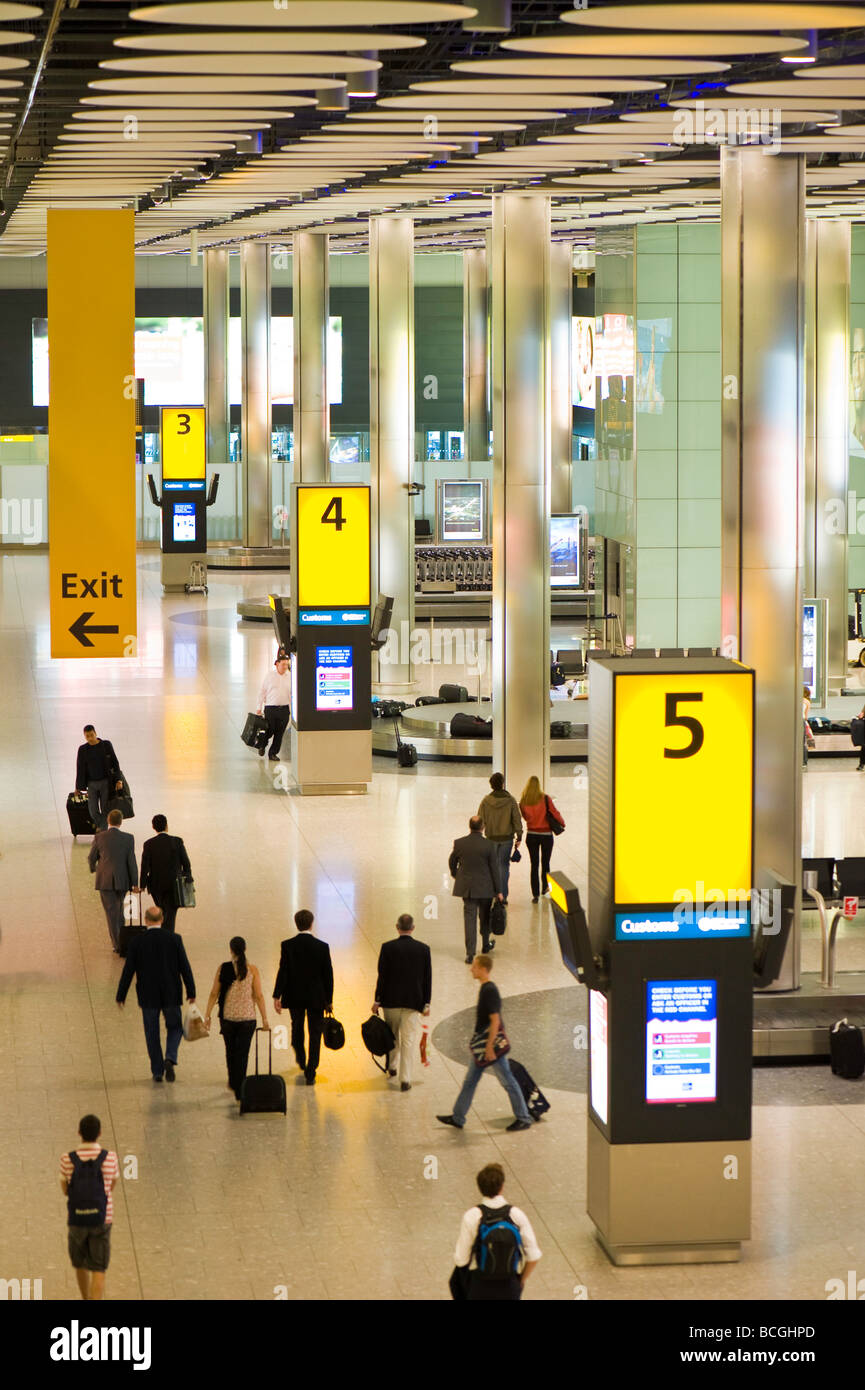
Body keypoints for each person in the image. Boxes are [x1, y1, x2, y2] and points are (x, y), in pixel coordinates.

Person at [437, 955, 532, 1133]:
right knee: (470, 1081)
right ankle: (458, 1117)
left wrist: (489, 1048)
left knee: (508, 1081)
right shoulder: (485, 989)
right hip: (485, 1047)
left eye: (474, 967)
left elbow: (495, 1020)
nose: (471, 969)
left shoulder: (489, 991)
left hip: (491, 1048)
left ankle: (523, 1117)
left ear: (483, 969)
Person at [115, 905, 196, 1083]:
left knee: (151, 1033)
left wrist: (121, 995)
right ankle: (170, 1057)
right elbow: (185, 967)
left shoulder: (137, 942)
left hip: (148, 994)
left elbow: (128, 971)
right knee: (174, 1027)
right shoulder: (174, 939)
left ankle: (157, 1071)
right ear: (162, 920)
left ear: (145, 920)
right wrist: (191, 991)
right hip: (171, 993)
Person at [452, 1163, 542, 1301]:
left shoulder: (472, 1216)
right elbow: (534, 1256)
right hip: (509, 1285)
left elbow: (461, 1259)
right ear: (502, 1186)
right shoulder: (516, 1215)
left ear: (480, 1188)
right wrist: (520, 1280)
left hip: (481, 1285)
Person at [60, 1114, 119, 1302]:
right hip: (102, 1218)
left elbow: (65, 1190)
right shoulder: (110, 1158)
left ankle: (85, 1298)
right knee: (99, 1267)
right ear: (99, 1133)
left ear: (79, 1133)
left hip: (77, 1218)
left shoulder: (67, 1159)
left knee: (80, 1263)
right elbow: (111, 1185)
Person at [272, 909, 333, 1086]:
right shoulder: (322, 947)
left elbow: (283, 971)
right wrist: (329, 1000)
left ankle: (300, 1056)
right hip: (316, 998)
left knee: (296, 1026)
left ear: (296, 923)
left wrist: (277, 995)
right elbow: (328, 975)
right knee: (315, 1033)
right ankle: (311, 1070)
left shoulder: (287, 945)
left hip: (294, 996)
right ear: (311, 923)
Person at [205, 936, 270, 1102]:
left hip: (228, 1018)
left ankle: (233, 1082)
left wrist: (208, 1014)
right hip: (248, 1018)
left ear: (231, 950)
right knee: (243, 1054)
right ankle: (240, 1086)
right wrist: (265, 1019)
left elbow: (214, 993)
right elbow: (258, 995)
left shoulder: (223, 968)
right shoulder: (252, 970)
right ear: (245, 949)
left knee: (230, 1051)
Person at [372, 914, 432, 1092]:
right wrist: (426, 1003)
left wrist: (377, 1000)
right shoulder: (423, 949)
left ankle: (392, 1067)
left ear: (397, 927)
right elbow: (427, 979)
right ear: (413, 928)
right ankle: (405, 1079)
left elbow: (382, 977)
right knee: (408, 1040)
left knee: (393, 1037)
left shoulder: (387, 948)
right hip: (413, 1002)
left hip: (391, 1002)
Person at [449, 815, 504, 964]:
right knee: (485, 917)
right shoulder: (489, 845)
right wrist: (498, 891)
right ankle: (485, 945)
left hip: (467, 888)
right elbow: (494, 869)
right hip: (486, 888)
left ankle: (470, 953)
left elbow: (452, 861)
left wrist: (456, 875)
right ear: (483, 827)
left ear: (470, 826)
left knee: (469, 919)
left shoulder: (460, 843)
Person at [88, 808, 138, 953]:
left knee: (111, 912)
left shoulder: (99, 837)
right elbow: (131, 862)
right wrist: (135, 883)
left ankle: (117, 944)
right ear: (121, 822)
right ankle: (122, 939)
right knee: (119, 909)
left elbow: (92, 857)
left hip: (105, 880)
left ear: (108, 821)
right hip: (122, 880)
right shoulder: (129, 838)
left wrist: (94, 869)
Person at [140, 814, 192, 934]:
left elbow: (145, 867)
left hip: (156, 886)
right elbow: (186, 863)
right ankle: (168, 938)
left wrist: (142, 885)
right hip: (174, 885)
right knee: (171, 914)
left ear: (153, 827)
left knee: (162, 911)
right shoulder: (177, 841)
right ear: (166, 825)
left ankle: (163, 935)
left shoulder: (149, 844)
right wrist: (187, 876)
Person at [477, 772, 522, 904]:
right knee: (504, 867)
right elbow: (516, 819)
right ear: (502, 784)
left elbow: (480, 819)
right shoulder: (511, 800)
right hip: (506, 839)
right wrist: (519, 835)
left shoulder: (486, 801)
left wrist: (479, 835)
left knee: (492, 866)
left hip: (491, 838)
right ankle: (503, 896)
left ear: (491, 785)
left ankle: (493, 892)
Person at [519, 776, 564, 903]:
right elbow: (554, 813)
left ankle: (535, 894)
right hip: (546, 836)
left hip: (532, 835)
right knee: (546, 863)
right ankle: (545, 888)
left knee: (534, 864)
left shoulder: (524, 800)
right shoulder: (545, 798)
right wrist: (562, 823)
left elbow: (525, 817)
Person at [75, 725, 123, 832]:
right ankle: (102, 827)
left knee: (105, 809)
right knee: (93, 810)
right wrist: (78, 787)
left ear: (96, 733)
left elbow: (115, 762)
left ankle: (102, 832)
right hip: (91, 784)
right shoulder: (82, 750)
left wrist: (119, 780)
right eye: (87, 736)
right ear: (84, 736)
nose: (90, 738)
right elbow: (80, 768)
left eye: (91, 735)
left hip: (105, 782)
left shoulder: (106, 745)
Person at [256, 652, 292, 762]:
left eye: (287, 664)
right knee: (270, 730)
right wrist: (259, 707)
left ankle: (273, 753)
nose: (285, 667)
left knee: (279, 733)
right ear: (277, 664)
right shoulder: (270, 676)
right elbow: (262, 692)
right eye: (283, 664)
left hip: (284, 709)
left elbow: (292, 694)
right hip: (271, 708)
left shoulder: (290, 676)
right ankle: (262, 744)